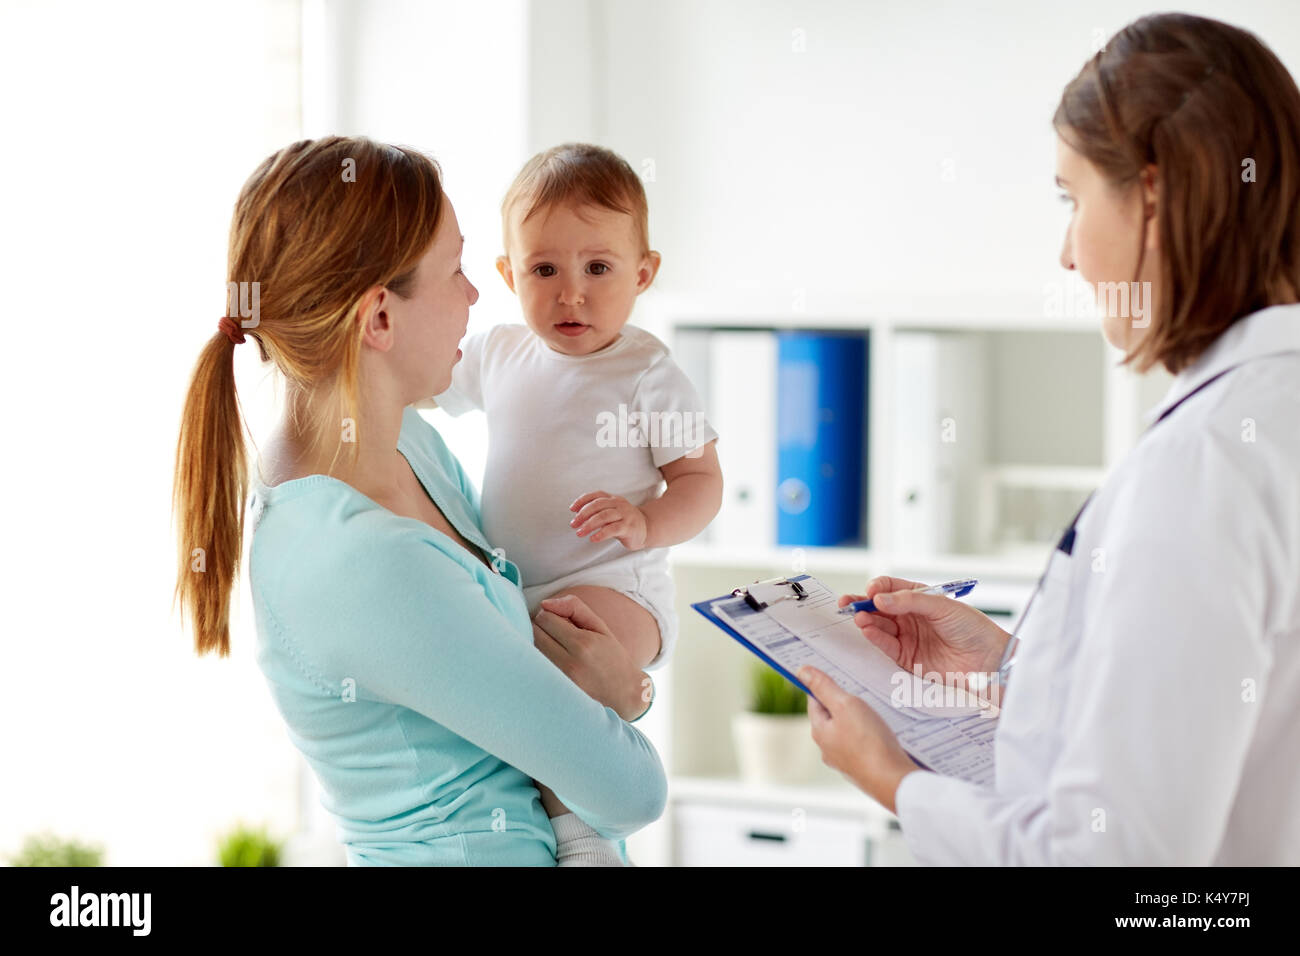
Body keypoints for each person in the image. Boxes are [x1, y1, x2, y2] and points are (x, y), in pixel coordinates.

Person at [798, 12, 1300, 865]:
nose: (1067, 255)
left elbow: (1122, 862)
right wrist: (1012, 670)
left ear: (1154, 195)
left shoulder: (1203, 461)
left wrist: (896, 783)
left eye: (1073, 200)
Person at [171, 136, 667, 866]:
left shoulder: (405, 443)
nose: (474, 295)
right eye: (457, 269)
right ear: (379, 319)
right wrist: (626, 700)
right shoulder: (362, 561)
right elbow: (631, 792)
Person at [417, 143, 722, 864]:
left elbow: (702, 483)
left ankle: (584, 834)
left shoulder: (647, 373)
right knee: (508, 686)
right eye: (544, 270)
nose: (571, 293)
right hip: (519, 591)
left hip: (617, 588)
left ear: (643, 273)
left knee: (562, 678)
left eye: (599, 268)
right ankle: (530, 808)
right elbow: (423, 388)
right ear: (507, 274)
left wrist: (646, 521)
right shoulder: (499, 353)